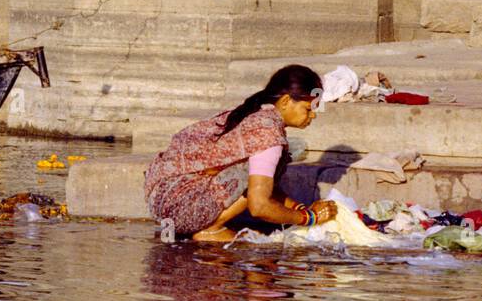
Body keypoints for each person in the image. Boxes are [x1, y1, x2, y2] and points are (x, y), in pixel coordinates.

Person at [144, 65, 337, 242]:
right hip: (180, 208)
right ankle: (210, 228)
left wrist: (298, 208)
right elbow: (259, 206)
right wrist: (309, 218)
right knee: (279, 159)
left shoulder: (258, 113)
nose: (313, 115)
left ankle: (208, 225)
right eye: (308, 108)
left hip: (163, 202)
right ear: (286, 101)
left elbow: (263, 184)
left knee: (271, 164)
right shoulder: (268, 133)